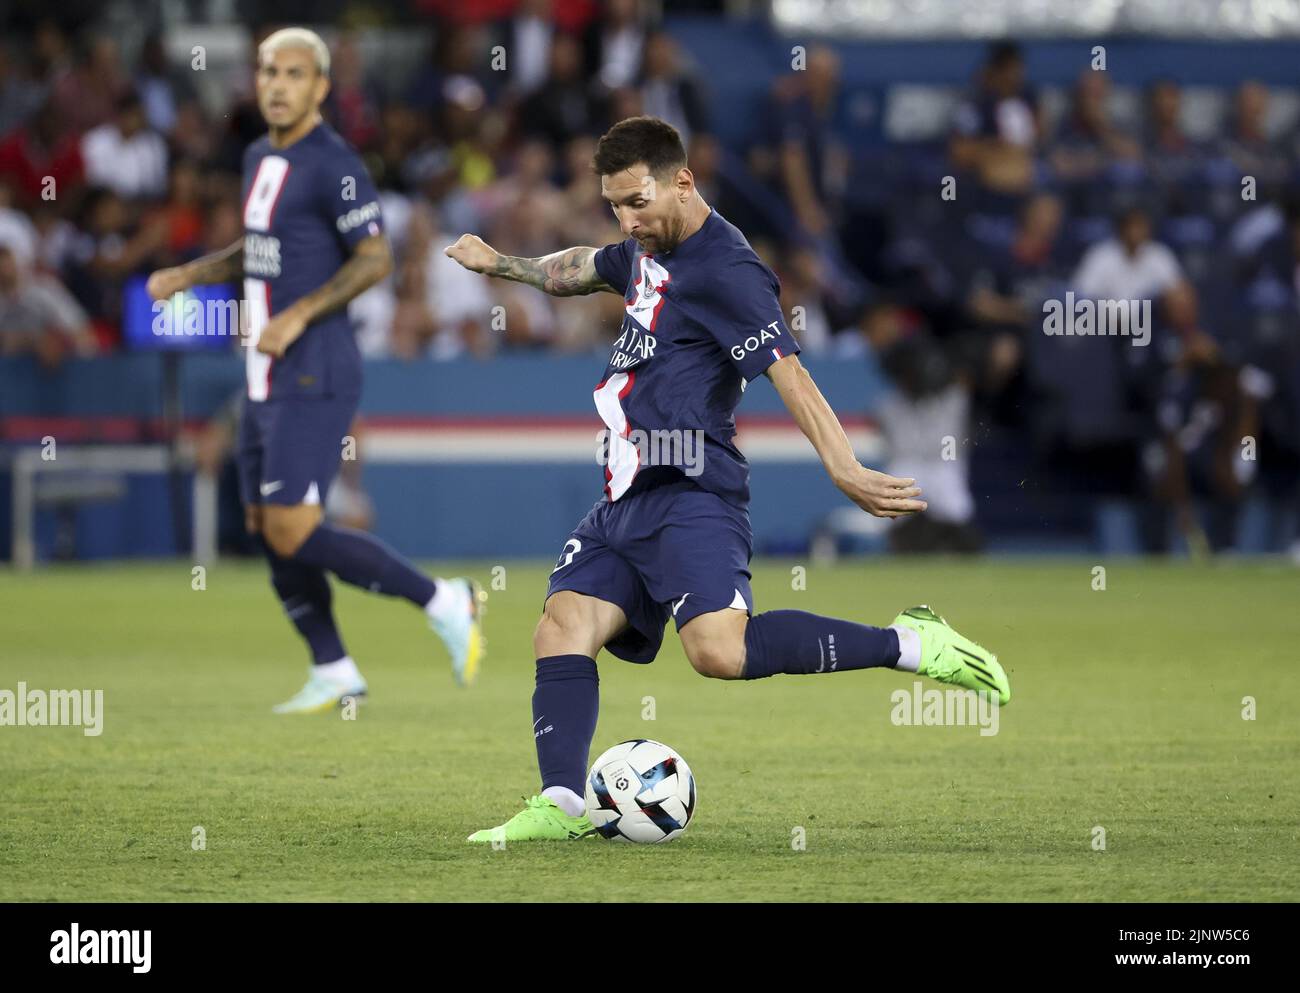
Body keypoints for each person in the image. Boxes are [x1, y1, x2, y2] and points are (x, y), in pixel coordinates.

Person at [444, 116, 1011, 843]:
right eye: (616, 204)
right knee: (561, 626)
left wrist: (845, 466)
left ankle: (909, 641)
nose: (628, 220)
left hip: (690, 493)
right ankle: (561, 800)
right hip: (623, 497)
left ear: (682, 180)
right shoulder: (645, 247)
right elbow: (585, 266)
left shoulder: (729, 270)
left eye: (638, 202)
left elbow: (790, 373)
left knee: (719, 651)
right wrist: (503, 265)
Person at [145, 28, 483, 714]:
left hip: (315, 365)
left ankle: (444, 598)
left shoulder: (335, 162)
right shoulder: (257, 156)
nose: (276, 83)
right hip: (264, 370)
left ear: (321, 87)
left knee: (294, 526)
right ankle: (332, 665)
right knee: (263, 520)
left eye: (294, 73)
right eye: (268, 70)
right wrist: (191, 271)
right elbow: (261, 246)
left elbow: (374, 258)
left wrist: (297, 316)